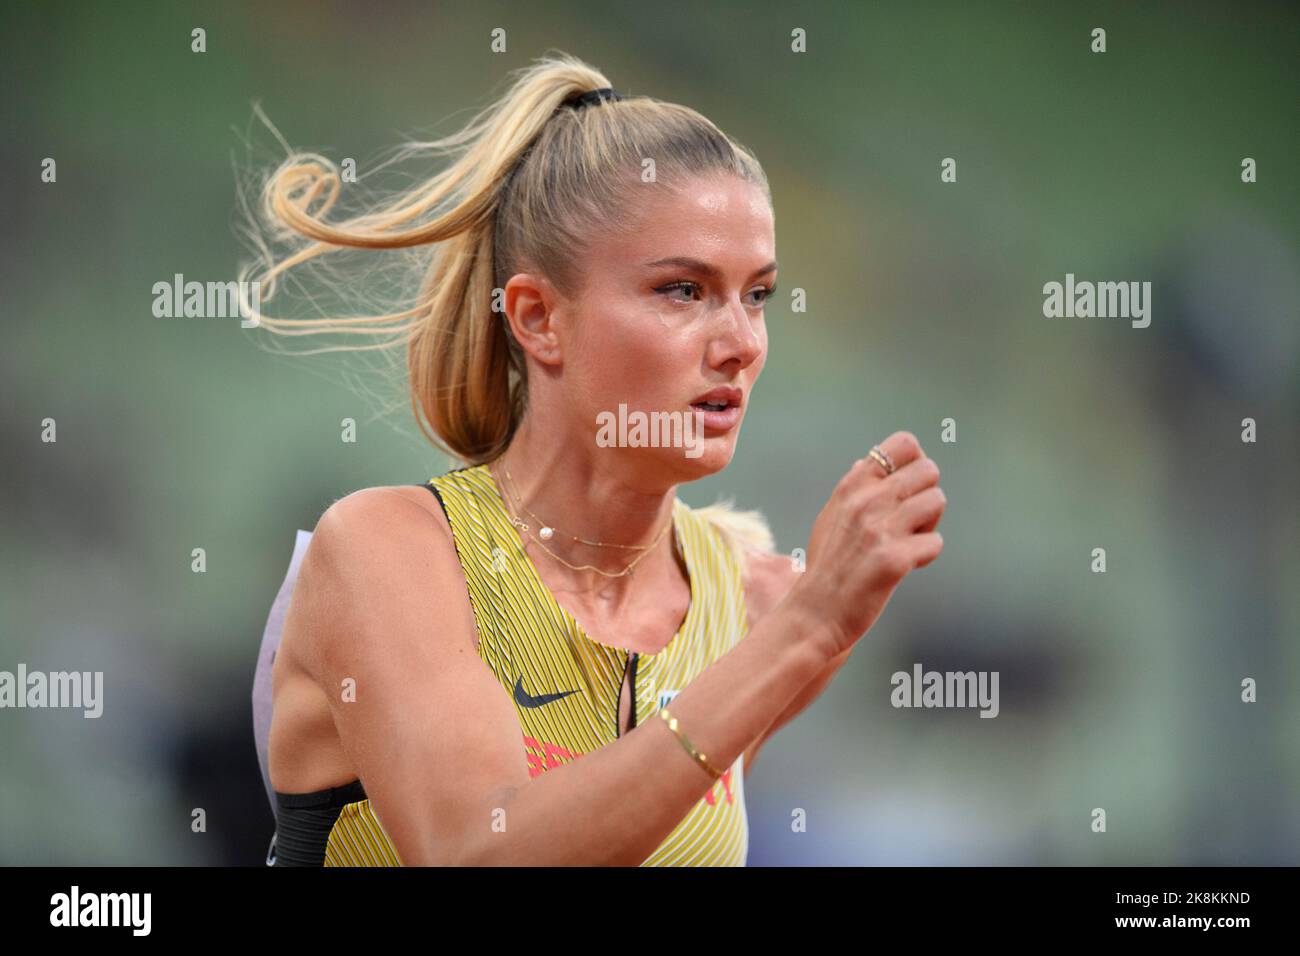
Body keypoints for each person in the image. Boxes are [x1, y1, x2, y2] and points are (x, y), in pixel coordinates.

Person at [248, 52, 946, 866]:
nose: (741, 344)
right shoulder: (385, 552)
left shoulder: (756, 605)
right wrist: (808, 631)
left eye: (757, 294)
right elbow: (478, 851)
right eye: (683, 290)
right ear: (539, 319)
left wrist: (797, 630)